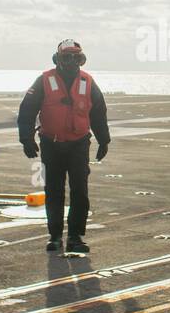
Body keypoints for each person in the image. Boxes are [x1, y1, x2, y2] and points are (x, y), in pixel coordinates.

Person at [17, 40, 110, 255]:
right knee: (54, 191)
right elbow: (27, 110)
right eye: (67, 57)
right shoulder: (44, 80)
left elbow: (98, 113)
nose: (71, 62)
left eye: (75, 58)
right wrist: (26, 139)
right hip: (51, 144)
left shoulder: (88, 82)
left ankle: (75, 236)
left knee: (80, 191)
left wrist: (104, 139)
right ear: (58, 59)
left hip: (78, 144)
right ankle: (56, 236)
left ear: (81, 59)